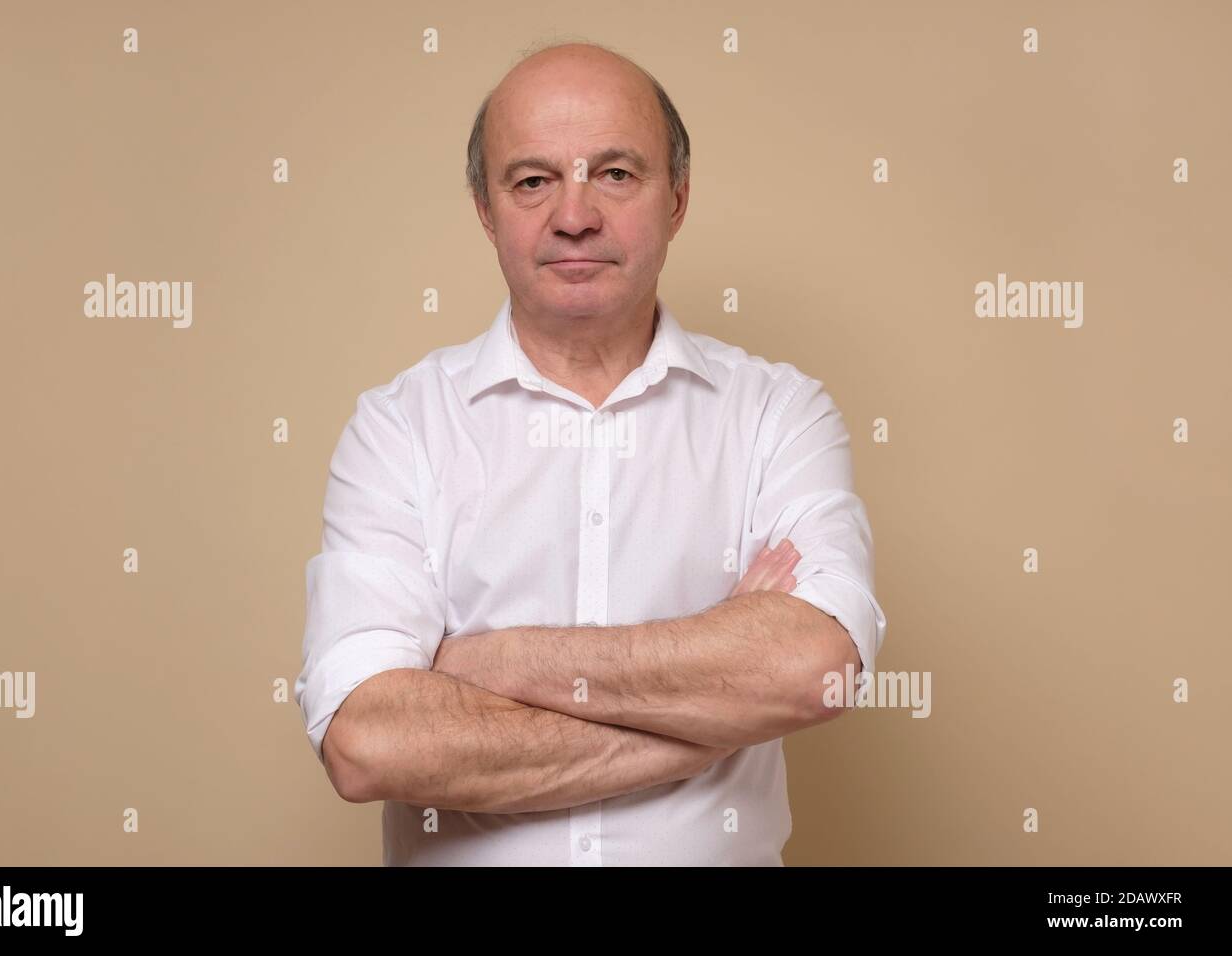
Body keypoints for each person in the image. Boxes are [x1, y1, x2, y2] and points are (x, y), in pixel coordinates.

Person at [295, 40, 886, 865]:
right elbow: (368, 743)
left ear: (677, 197)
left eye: (614, 173)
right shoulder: (400, 429)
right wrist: (707, 718)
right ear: (485, 208)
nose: (574, 216)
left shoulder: (777, 414)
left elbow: (811, 670)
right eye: (533, 181)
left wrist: (488, 663)